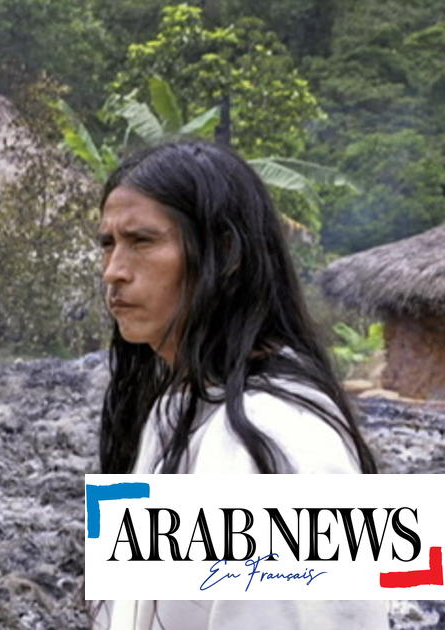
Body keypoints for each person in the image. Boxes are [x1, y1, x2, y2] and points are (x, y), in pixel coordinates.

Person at [91, 140, 387, 629]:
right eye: (108, 244)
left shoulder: (279, 439)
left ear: (225, 253)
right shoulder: (170, 411)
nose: (114, 271)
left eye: (142, 241)